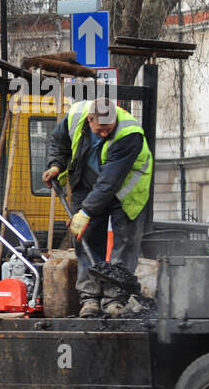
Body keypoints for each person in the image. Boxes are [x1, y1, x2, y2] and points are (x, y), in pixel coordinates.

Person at [42, 97, 152, 318]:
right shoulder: (74, 117)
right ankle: (89, 299)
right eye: (100, 130)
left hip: (126, 190)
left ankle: (115, 300)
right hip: (86, 182)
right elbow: (59, 143)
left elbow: (109, 182)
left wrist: (85, 212)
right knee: (86, 240)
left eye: (108, 130)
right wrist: (56, 165)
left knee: (125, 243)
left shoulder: (129, 133)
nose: (104, 134)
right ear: (89, 120)